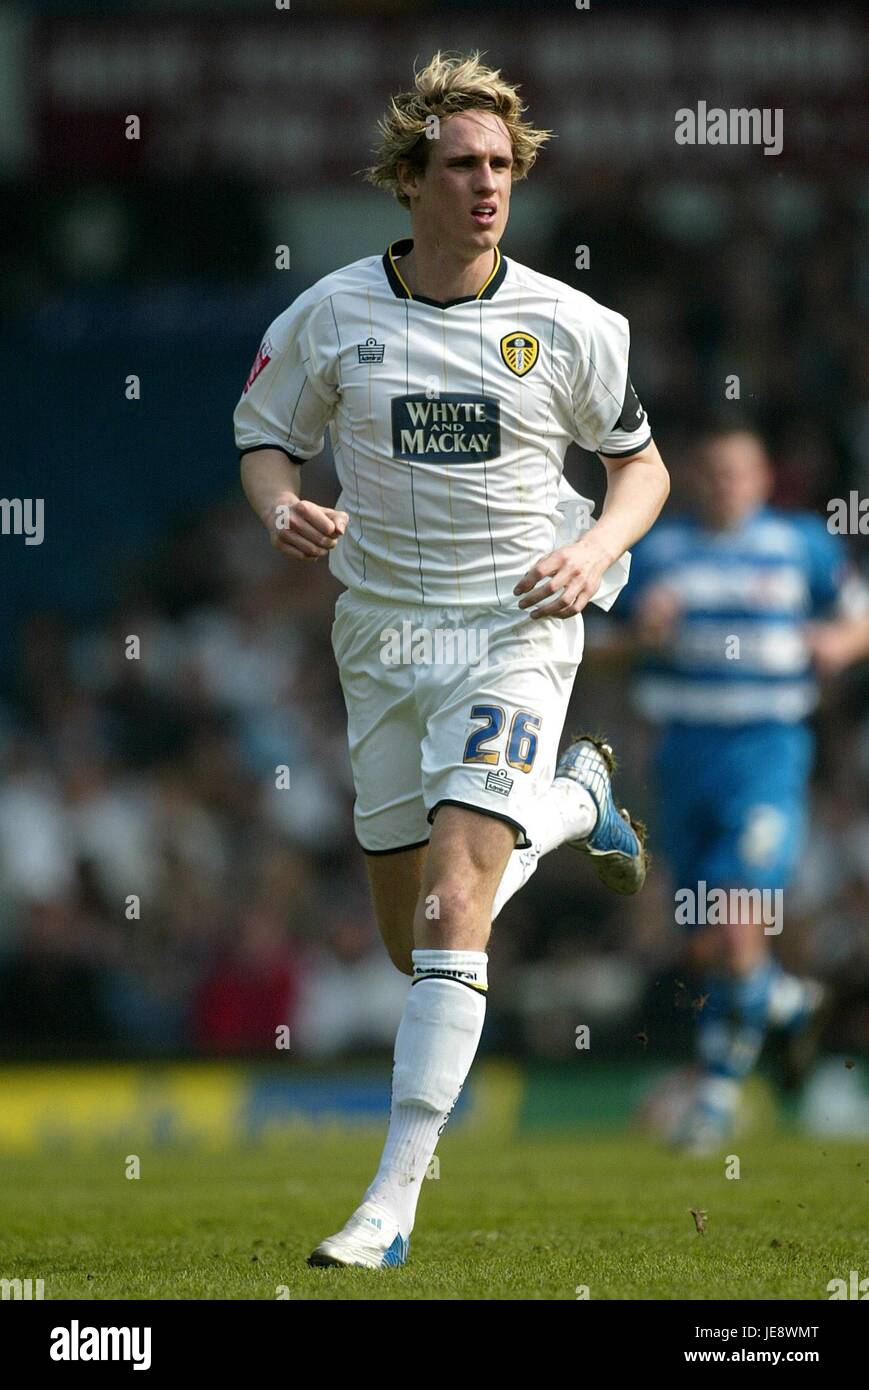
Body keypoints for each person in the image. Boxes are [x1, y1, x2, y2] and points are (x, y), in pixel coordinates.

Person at [235, 51, 669, 1266]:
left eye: (502, 167)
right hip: (379, 636)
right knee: (416, 939)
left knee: (451, 901)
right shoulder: (327, 314)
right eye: (463, 166)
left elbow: (640, 465)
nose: (487, 187)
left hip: (514, 625)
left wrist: (595, 546)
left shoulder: (567, 324)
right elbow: (265, 442)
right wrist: (279, 507)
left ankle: (389, 1204)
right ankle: (578, 797)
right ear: (408, 180)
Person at [616, 425, 869, 1153]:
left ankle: (715, 1102)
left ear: (763, 479)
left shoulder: (799, 547)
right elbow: (595, 648)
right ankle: (786, 1003)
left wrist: (837, 644)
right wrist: (640, 633)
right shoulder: (657, 553)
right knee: (707, 946)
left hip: (763, 755)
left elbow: (858, 618)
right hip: (681, 760)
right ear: (696, 477)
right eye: (714, 471)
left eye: (739, 472)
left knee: (734, 919)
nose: (726, 484)